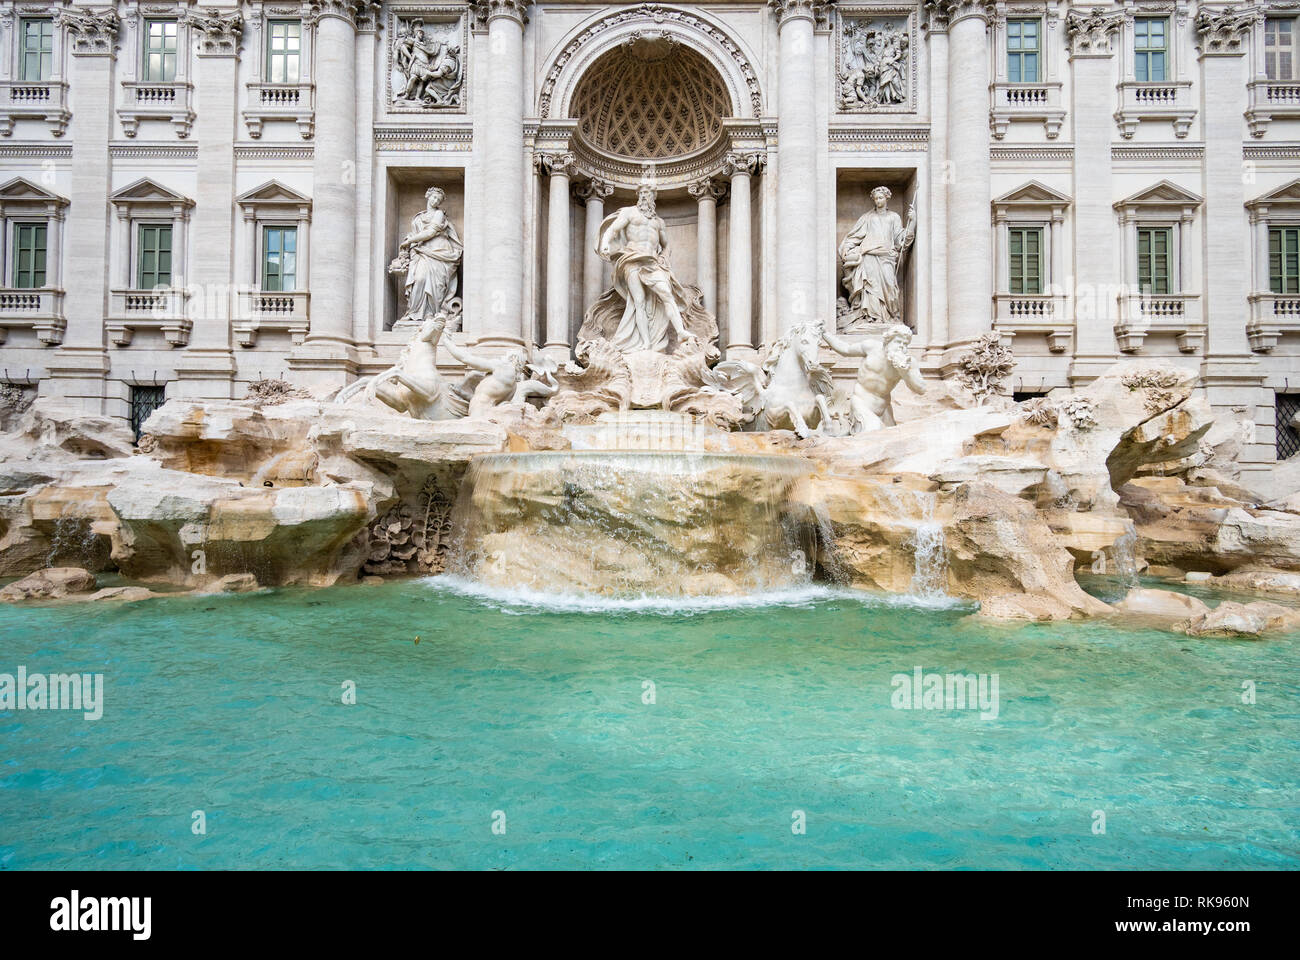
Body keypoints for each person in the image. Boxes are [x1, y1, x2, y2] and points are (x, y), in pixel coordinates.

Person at [822, 323, 926, 433]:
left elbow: (921, 389)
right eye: (897, 342)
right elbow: (846, 349)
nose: (901, 346)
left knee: (892, 439)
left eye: (905, 344)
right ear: (888, 341)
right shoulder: (871, 347)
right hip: (861, 403)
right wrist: (824, 334)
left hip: (884, 409)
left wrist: (905, 372)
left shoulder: (908, 363)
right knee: (874, 431)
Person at [838, 185, 915, 329]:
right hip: (868, 256)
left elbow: (901, 241)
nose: (878, 201)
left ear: (887, 198)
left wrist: (912, 223)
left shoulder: (894, 217)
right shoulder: (867, 217)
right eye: (876, 198)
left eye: (881, 198)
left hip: (887, 257)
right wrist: (847, 248)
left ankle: (889, 317)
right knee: (871, 288)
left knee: (890, 286)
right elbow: (854, 236)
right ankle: (872, 318)